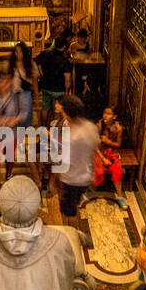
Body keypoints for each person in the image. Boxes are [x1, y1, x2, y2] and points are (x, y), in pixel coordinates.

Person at [55, 93, 99, 236]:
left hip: (72, 179)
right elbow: (94, 146)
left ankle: (72, 237)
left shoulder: (71, 136)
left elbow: (63, 159)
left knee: (69, 212)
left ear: (66, 113)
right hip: (86, 176)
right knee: (73, 206)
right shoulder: (90, 127)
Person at [0, 69, 22, 189]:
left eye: (7, 81)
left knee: (10, 157)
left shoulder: (16, 94)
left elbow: (23, 112)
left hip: (12, 133)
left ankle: (8, 174)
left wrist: (15, 120)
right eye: (2, 82)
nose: (5, 84)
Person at [94, 106, 127, 208]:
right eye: (104, 113)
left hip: (111, 152)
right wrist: (103, 158)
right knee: (96, 168)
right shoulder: (98, 126)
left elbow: (118, 145)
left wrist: (108, 142)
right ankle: (88, 190)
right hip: (98, 152)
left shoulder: (117, 129)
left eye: (108, 114)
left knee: (117, 169)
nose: (105, 115)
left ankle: (120, 196)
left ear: (114, 116)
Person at [36, 36, 73, 116]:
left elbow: (37, 61)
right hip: (58, 90)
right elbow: (67, 79)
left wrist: (41, 73)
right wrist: (67, 92)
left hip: (46, 86)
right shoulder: (65, 61)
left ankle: (44, 126)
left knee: (45, 108)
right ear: (64, 47)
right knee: (57, 110)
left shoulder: (45, 54)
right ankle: (54, 127)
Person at [6, 42, 37, 126]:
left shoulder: (30, 64)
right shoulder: (11, 64)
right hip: (13, 93)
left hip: (25, 92)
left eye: (20, 51)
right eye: (16, 51)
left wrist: (36, 94)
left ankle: (25, 132)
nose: (18, 54)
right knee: (14, 114)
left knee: (25, 115)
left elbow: (34, 79)